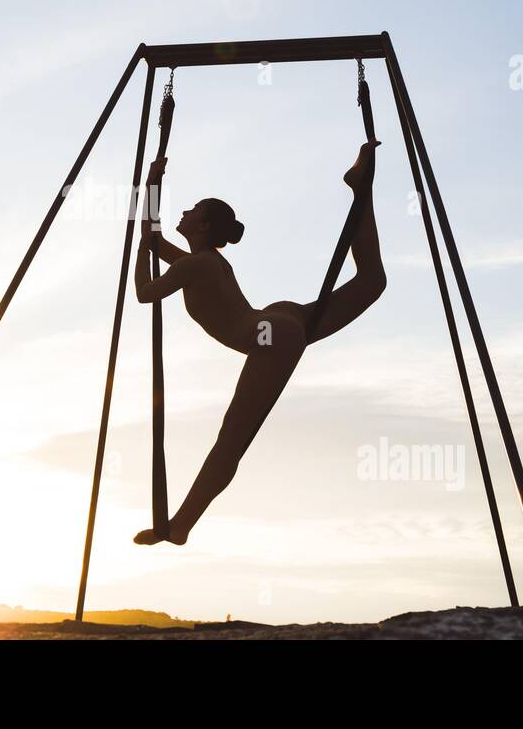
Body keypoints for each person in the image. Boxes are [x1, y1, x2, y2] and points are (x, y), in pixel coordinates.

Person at [131, 141, 386, 545]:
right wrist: (150, 186)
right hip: (280, 322)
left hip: (271, 336)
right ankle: (361, 191)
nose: (184, 212)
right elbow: (151, 235)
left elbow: (144, 291)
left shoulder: (195, 265)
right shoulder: (200, 263)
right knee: (371, 282)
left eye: (193, 209)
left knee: (231, 441)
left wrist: (141, 244)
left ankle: (181, 525)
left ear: (201, 226)